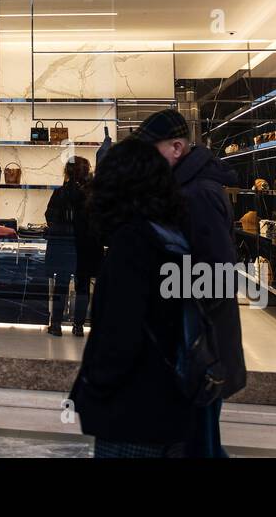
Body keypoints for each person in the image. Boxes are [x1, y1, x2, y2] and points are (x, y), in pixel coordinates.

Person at [68, 137, 193, 457]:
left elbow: (119, 334)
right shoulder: (172, 238)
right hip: (171, 400)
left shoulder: (132, 246)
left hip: (131, 409)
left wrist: (93, 387)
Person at [134, 108, 246, 458]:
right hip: (192, 346)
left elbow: (218, 276)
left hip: (198, 349)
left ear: (177, 148)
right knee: (195, 440)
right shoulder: (183, 188)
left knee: (198, 442)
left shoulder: (196, 194)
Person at [43, 156, 98, 337]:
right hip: (85, 246)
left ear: (66, 172)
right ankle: (79, 326)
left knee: (61, 284)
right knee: (82, 286)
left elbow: (50, 216)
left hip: (63, 245)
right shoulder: (92, 195)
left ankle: (56, 324)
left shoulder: (60, 193)